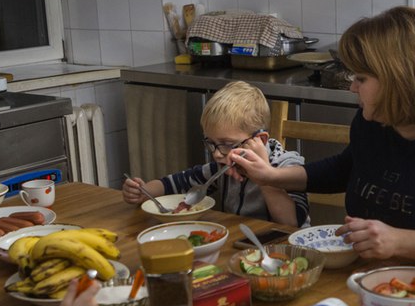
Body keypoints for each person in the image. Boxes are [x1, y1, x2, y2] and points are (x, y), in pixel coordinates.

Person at [231, 6, 415, 266]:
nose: (352, 88)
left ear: (399, 78)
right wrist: (270, 176)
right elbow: (346, 169)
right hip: (373, 273)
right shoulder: (375, 121)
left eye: (361, 78)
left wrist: (398, 240)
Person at [122, 81, 308, 227]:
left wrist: (265, 176)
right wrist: (144, 192)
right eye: (211, 143)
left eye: (226, 144)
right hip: (241, 243)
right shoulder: (223, 167)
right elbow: (178, 183)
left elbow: (291, 223)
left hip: (284, 252)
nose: (217, 154)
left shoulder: (288, 166)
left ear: (260, 140)